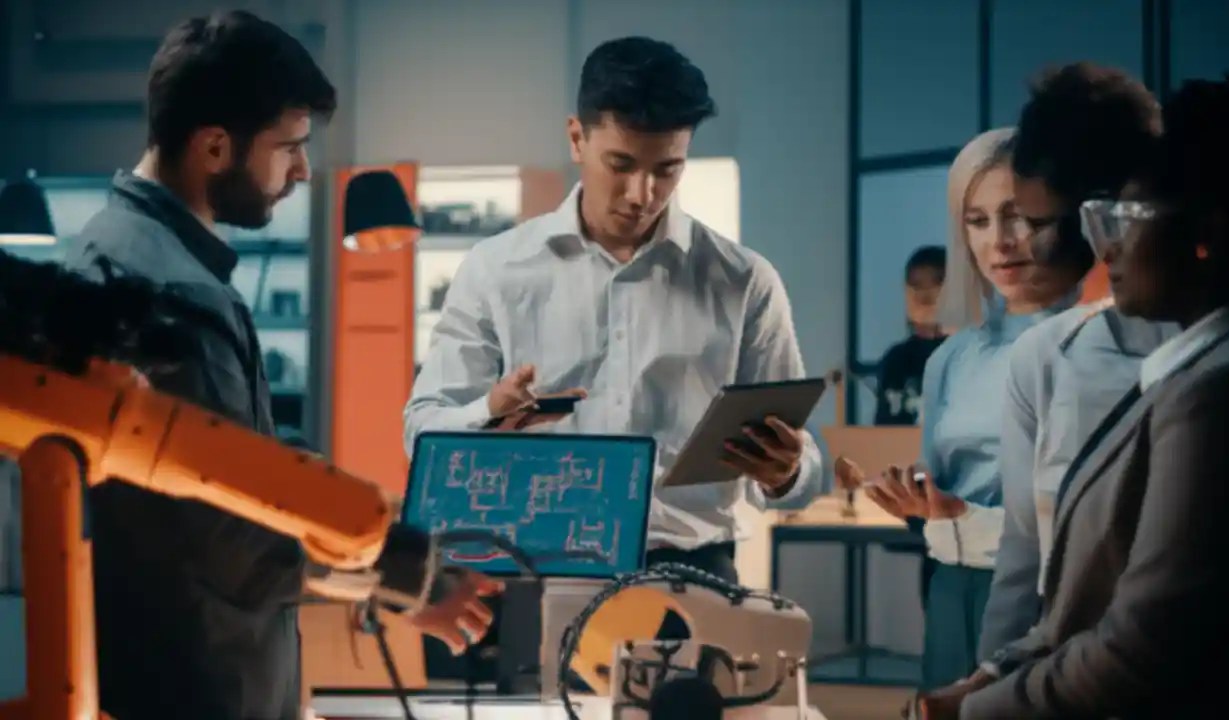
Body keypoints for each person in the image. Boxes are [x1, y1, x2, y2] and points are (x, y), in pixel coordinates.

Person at [62, 12, 497, 719]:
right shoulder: (171, 291)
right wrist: (402, 577)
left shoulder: (133, 255)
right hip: (199, 687)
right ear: (213, 146)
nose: (301, 169)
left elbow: (247, 457)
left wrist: (381, 528)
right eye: (289, 147)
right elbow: (229, 531)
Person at [922, 58, 1229, 720]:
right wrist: (994, 674)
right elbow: (1036, 572)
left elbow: (1143, 643)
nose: (1099, 245)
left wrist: (986, 708)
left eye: (1126, 215)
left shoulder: (1227, 384)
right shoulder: (1068, 358)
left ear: (1201, 233)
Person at [404, 36, 822, 584]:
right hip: (532, 571)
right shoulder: (494, 271)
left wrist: (787, 472)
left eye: (667, 170)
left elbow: (804, 465)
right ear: (577, 138)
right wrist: (488, 413)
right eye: (620, 164)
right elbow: (422, 433)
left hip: (692, 570)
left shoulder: (745, 282)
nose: (641, 194)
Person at [836, 128, 1080, 690]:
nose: (1000, 240)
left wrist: (967, 516)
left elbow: (1084, 517)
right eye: (977, 220)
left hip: (1043, 591)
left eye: (1018, 215)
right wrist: (914, 497)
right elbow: (935, 486)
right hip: (948, 580)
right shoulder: (951, 356)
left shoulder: (1083, 344)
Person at [975, 63, 1180, 663]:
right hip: (1061, 678)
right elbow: (1021, 561)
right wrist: (987, 683)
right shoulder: (1045, 358)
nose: (1029, 245)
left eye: (1042, 224)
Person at [874, 245, 947, 426]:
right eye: (916, 285)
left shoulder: (969, 354)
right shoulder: (895, 359)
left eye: (935, 283)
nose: (924, 294)